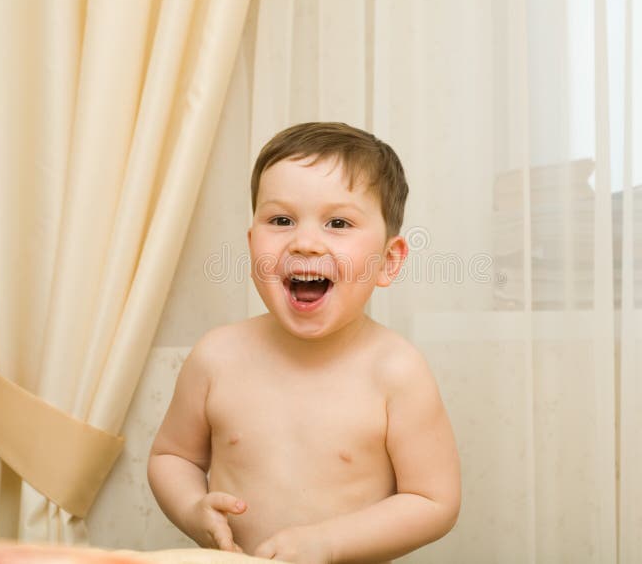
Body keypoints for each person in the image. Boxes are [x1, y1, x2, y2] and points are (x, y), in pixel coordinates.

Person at [148, 122, 461, 563]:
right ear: (253, 243)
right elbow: (171, 457)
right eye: (281, 220)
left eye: (338, 222)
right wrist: (191, 508)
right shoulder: (217, 357)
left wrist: (328, 543)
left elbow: (434, 502)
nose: (306, 242)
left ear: (388, 261)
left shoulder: (396, 371)